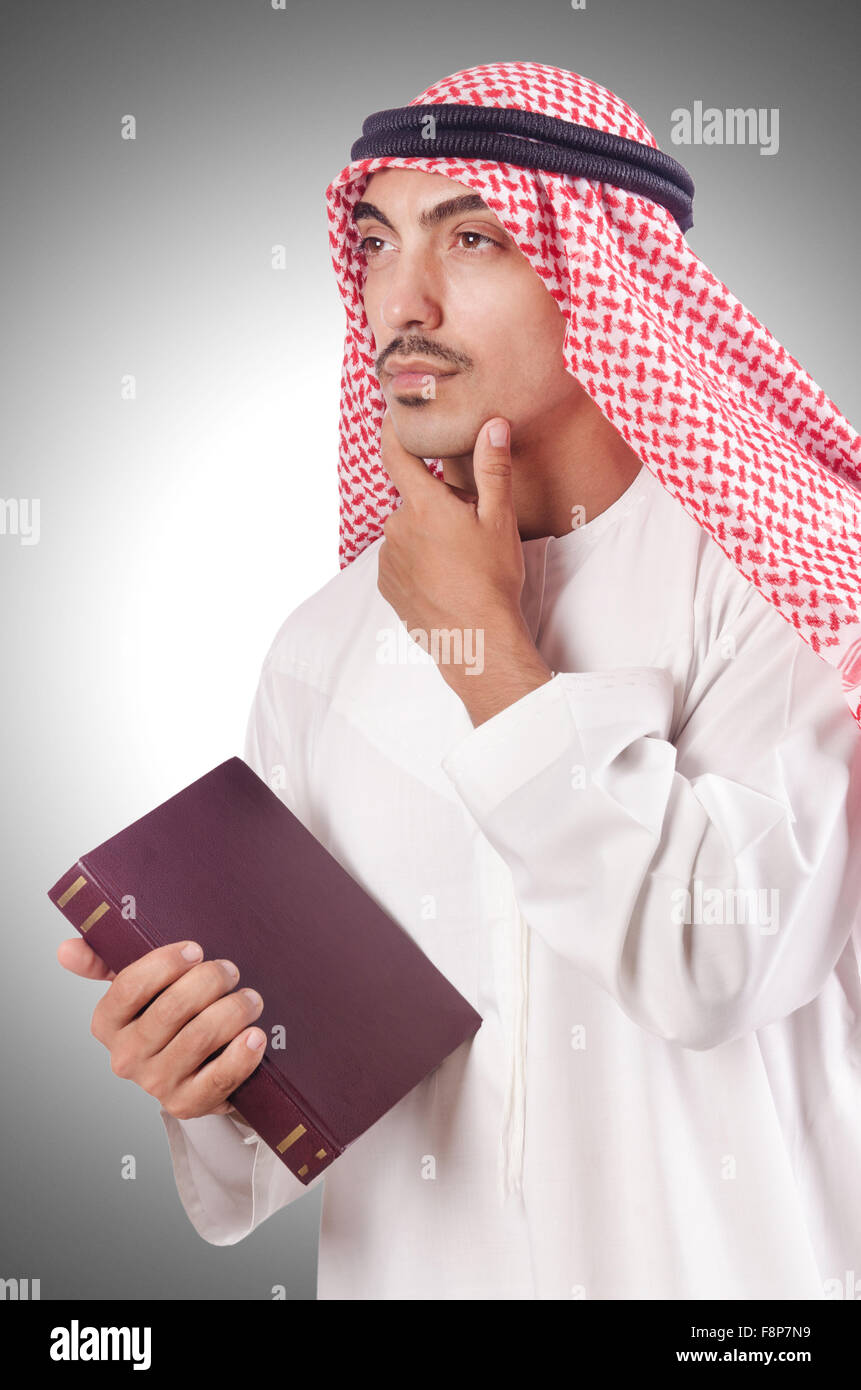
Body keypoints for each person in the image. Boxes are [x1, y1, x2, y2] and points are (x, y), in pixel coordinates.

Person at [58, 61, 861, 1300]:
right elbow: (270, 1161)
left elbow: (716, 968)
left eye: (470, 238)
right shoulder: (320, 645)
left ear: (608, 276)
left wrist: (488, 657)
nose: (401, 301)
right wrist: (204, 1083)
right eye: (376, 245)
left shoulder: (790, 585)